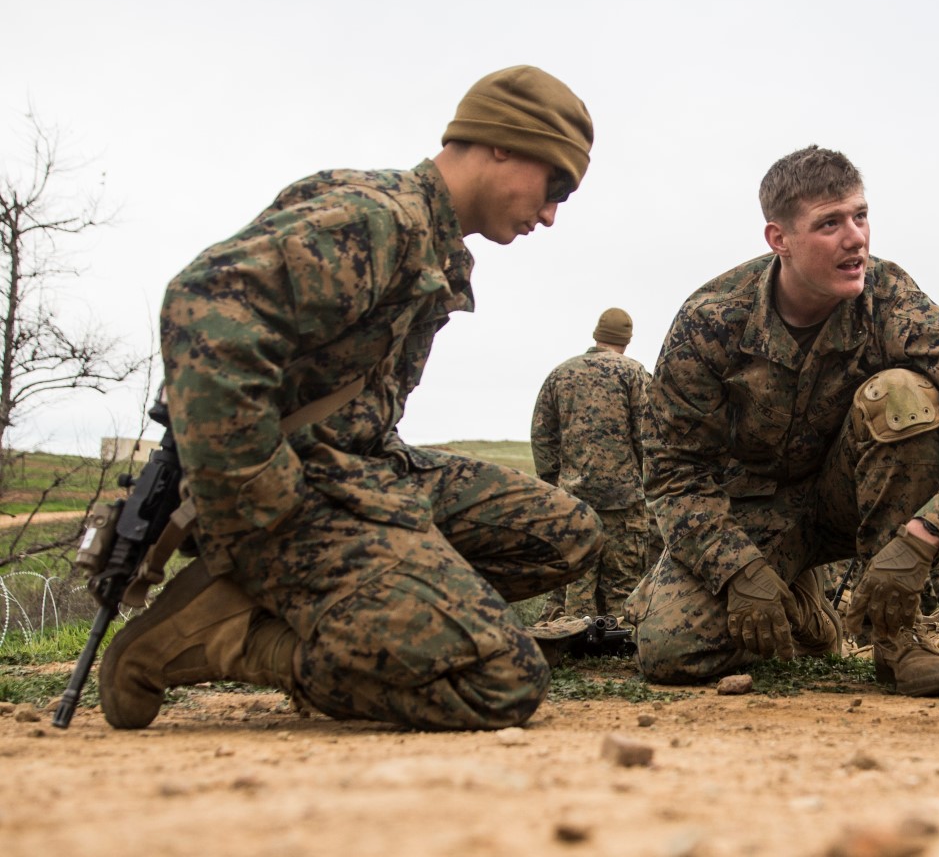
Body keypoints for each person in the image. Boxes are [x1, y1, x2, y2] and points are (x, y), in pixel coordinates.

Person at [98, 66, 604, 732]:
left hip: (356, 474)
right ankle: (221, 636)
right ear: (501, 143)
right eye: (555, 184)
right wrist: (263, 505)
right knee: (500, 682)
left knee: (565, 535)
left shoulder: (429, 238)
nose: (550, 213)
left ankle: (349, 610)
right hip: (291, 501)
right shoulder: (378, 219)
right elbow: (207, 302)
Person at [625, 145, 939, 697]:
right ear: (780, 240)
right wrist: (739, 570)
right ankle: (802, 605)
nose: (856, 238)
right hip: (753, 512)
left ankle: (899, 640)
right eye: (829, 224)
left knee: (901, 395)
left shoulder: (893, 302)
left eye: (860, 216)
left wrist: (923, 537)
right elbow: (675, 474)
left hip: (861, 503)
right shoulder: (712, 320)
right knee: (673, 653)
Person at [531, 307, 662, 619]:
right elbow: (649, 435)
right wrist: (646, 481)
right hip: (624, 501)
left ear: (596, 335)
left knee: (576, 575)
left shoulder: (561, 374)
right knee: (622, 585)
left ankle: (573, 636)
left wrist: (555, 486)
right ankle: (616, 644)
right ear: (626, 340)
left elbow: (542, 436)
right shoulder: (634, 374)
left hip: (571, 499)